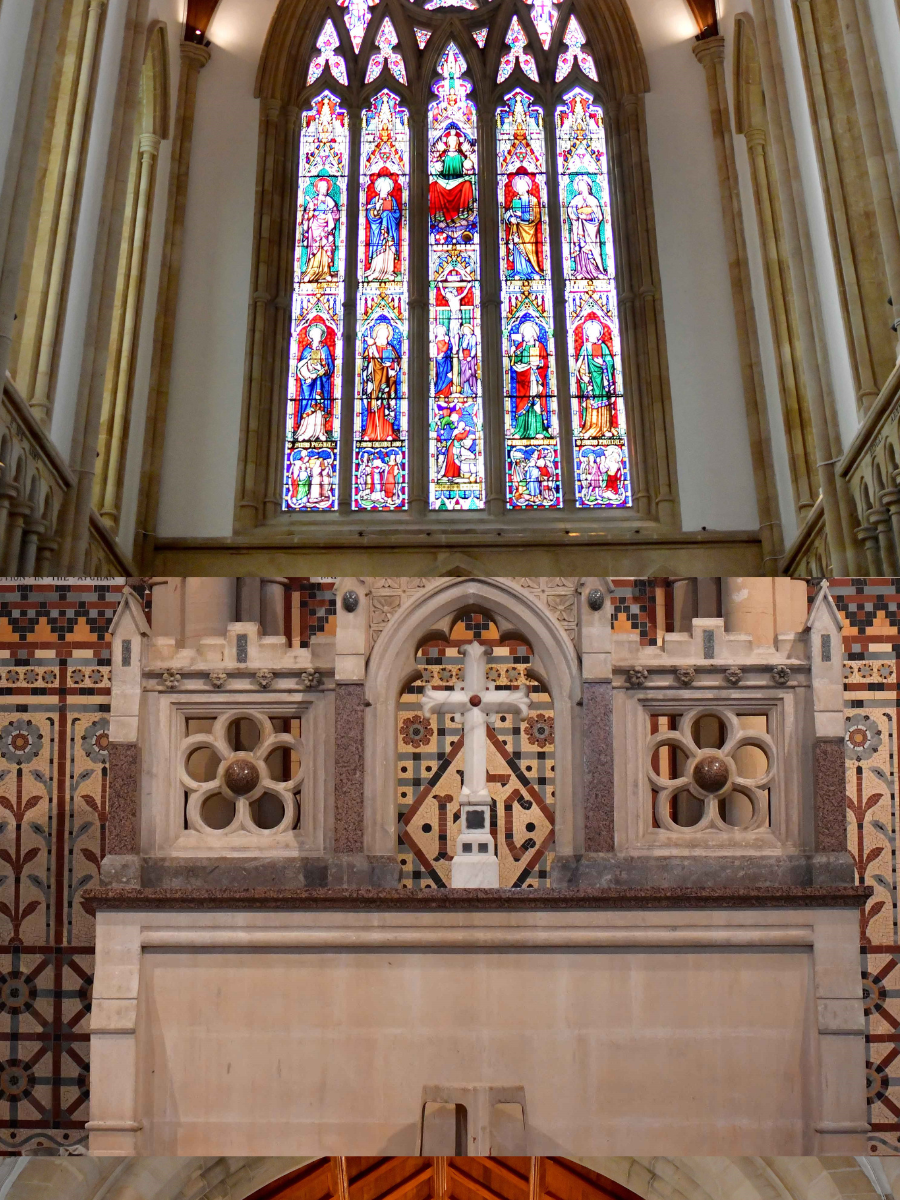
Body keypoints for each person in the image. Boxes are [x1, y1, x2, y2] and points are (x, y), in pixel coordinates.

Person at [575, 318, 616, 436]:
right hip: (591, 381)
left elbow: (610, 362)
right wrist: (583, 377)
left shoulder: (603, 347)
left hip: (603, 379)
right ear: (587, 334)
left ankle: (605, 428)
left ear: (599, 333)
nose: (593, 334)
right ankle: (591, 427)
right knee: (591, 403)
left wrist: (603, 363)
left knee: (604, 401)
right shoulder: (585, 347)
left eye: (596, 332)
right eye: (591, 332)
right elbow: (579, 365)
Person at [509, 320, 549, 438]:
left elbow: (546, 361)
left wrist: (539, 363)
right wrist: (513, 354)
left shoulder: (539, 346)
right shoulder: (521, 346)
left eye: (525, 333)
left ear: (532, 334)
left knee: (536, 403)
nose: (523, 336)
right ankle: (520, 430)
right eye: (523, 333)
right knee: (523, 402)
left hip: (536, 378)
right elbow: (515, 362)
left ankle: (539, 430)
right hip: (523, 379)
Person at [429, 126, 475, 225]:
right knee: (433, 186)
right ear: (448, 143)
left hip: (458, 181)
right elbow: (437, 168)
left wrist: (469, 167)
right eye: (451, 141)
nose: (454, 143)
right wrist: (436, 165)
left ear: (458, 143)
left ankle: (462, 216)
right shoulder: (443, 155)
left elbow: (468, 169)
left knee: (467, 184)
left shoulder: (462, 156)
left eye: (455, 141)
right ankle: (441, 218)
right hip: (444, 181)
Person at [361, 321, 399, 441]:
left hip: (387, 384)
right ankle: (370, 433)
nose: (385, 337)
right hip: (374, 384)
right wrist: (370, 357)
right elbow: (364, 365)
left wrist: (391, 365)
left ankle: (388, 433)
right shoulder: (371, 349)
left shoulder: (390, 349)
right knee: (373, 407)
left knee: (386, 406)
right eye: (382, 335)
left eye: (386, 335)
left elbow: (397, 364)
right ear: (376, 335)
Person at [295, 323, 335, 435]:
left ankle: (320, 432)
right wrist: (309, 368)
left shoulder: (325, 349)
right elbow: (300, 367)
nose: (317, 335)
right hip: (309, 383)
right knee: (308, 403)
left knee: (319, 406)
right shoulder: (306, 350)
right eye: (315, 334)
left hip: (321, 383)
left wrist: (321, 368)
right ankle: (305, 431)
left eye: (319, 334)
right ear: (311, 335)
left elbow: (330, 368)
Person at [504, 171, 543, 279]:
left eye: (522, 186)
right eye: (518, 186)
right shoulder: (515, 200)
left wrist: (522, 215)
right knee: (518, 250)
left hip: (529, 230)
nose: (520, 188)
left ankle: (533, 270)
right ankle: (518, 271)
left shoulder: (533, 200)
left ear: (527, 187)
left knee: (530, 249)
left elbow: (536, 217)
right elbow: (508, 212)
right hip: (517, 228)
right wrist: (511, 217)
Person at [567, 176, 607, 279]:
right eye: (579, 186)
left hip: (590, 230)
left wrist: (587, 216)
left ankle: (595, 269)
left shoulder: (593, 200)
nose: (581, 188)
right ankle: (580, 270)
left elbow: (599, 217)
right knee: (580, 250)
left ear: (587, 186)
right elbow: (571, 213)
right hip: (579, 227)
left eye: (583, 185)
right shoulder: (575, 200)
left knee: (591, 248)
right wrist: (577, 214)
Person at [301, 177, 340, 281]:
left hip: (326, 228)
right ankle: (311, 271)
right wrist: (312, 212)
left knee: (326, 248)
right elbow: (307, 215)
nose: (325, 189)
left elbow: (336, 214)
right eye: (322, 187)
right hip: (315, 228)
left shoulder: (330, 201)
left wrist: (329, 215)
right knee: (315, 248)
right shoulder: (313, 201)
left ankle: (326, 271)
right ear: (318, 188)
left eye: (326, 187)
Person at [366, 172, 401, 279]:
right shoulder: (374, 200)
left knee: (389, 251)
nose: (385, 190)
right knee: (378, 250)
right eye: (383, 187)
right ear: (379, 188)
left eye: (387, 188)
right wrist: (377, 208)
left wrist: (388, 214)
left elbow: (398, 215)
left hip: (390, 231)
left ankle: (389, 271)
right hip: (377, 233)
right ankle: (376, 270)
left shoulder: (392, 200)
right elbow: (371, 217)